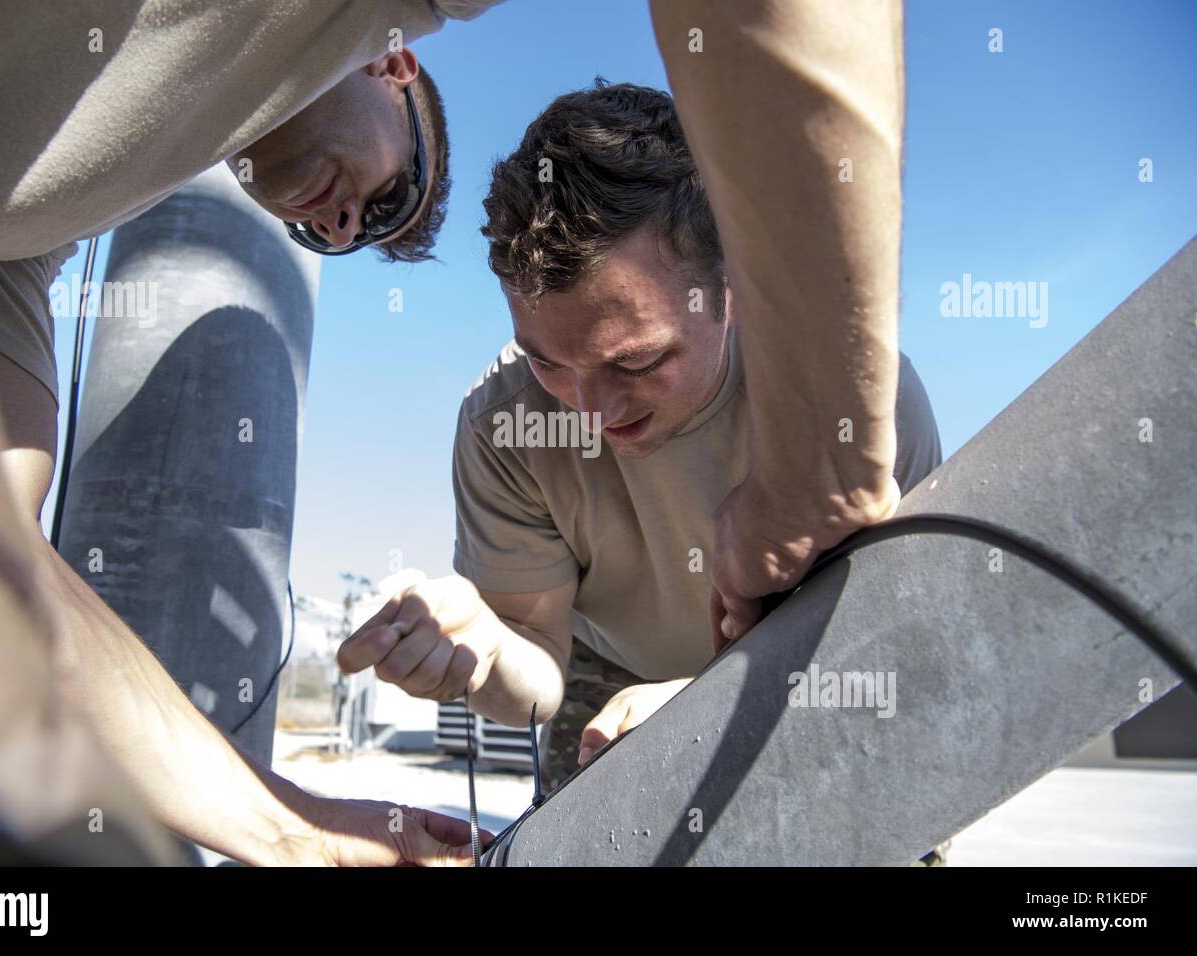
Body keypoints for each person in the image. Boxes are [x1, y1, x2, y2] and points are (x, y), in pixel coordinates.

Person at [0, 0, 502, 866]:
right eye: (389, 192)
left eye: (361, 235)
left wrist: (296, 835)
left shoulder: (19, 229)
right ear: (392, 66)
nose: (341, 225)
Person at [337, 80, 940, 796]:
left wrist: (718, 700)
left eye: (637, 361)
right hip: (608, 678)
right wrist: (488, 648)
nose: (591, 410)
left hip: (818, 656)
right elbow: (534, 680)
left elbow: (906, 643)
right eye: (548, 361)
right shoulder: (503, 422)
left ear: (733, 289)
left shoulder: (849, 395)